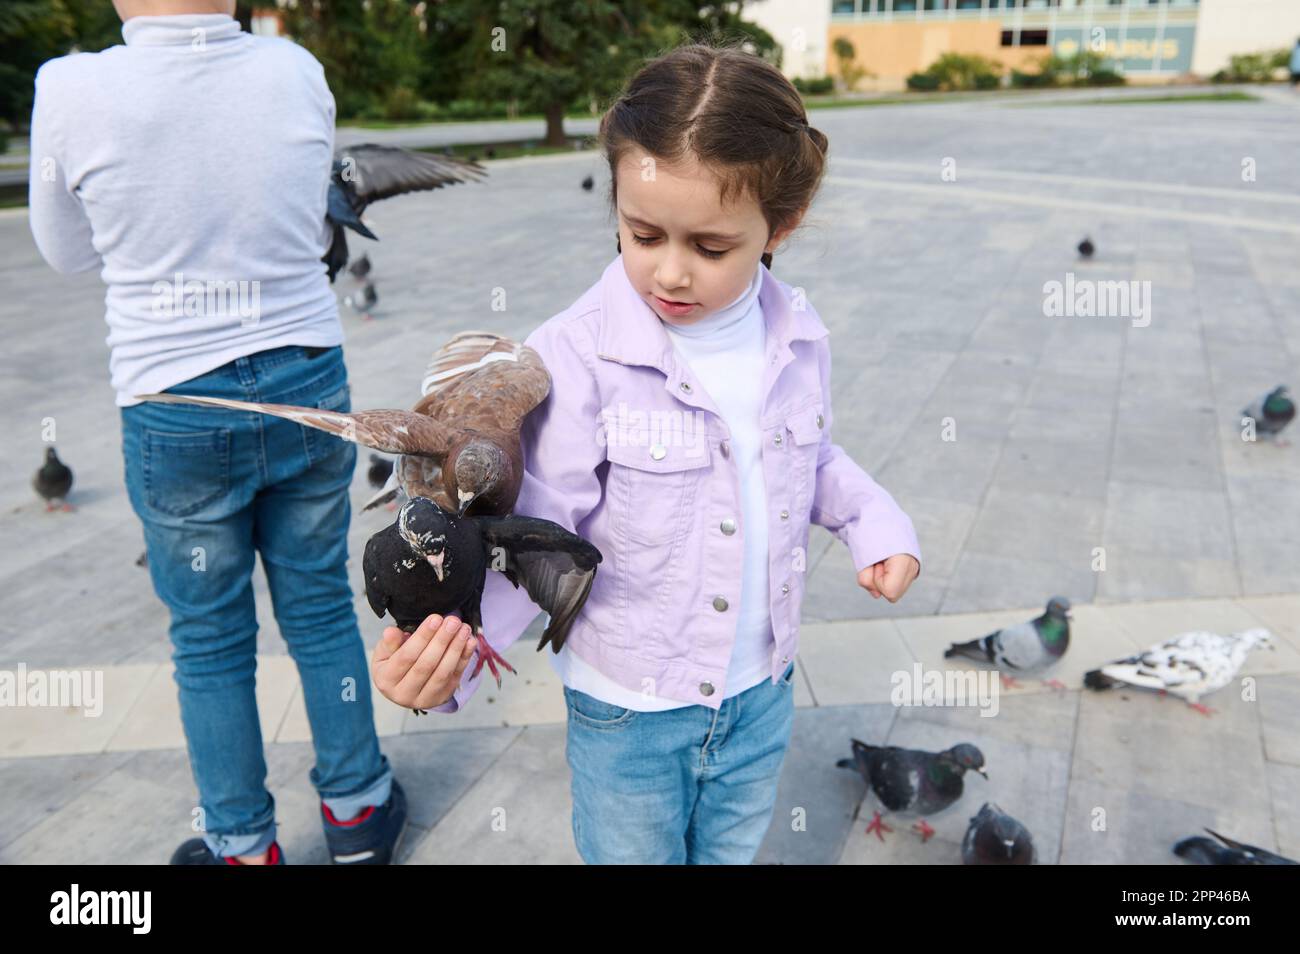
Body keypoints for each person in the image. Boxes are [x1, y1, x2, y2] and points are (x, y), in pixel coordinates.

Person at [371, 41, 922, 864]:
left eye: (710, 248)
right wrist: (452, 657)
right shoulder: (577, 357)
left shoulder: (798, 336)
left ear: (783, 224)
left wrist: (873, 519)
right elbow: (536, 536)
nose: (669, 271)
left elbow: (811, 456)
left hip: (761, 693)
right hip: (629, 711)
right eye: (642, 233)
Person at [28, 0, 404, 865]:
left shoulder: (71, 86)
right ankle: (359, 813)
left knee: (208, 635)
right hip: (308, 380)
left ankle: (241, 847)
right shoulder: (295, 70)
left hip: (176, 403)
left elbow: (66, 253)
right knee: (318, 607)